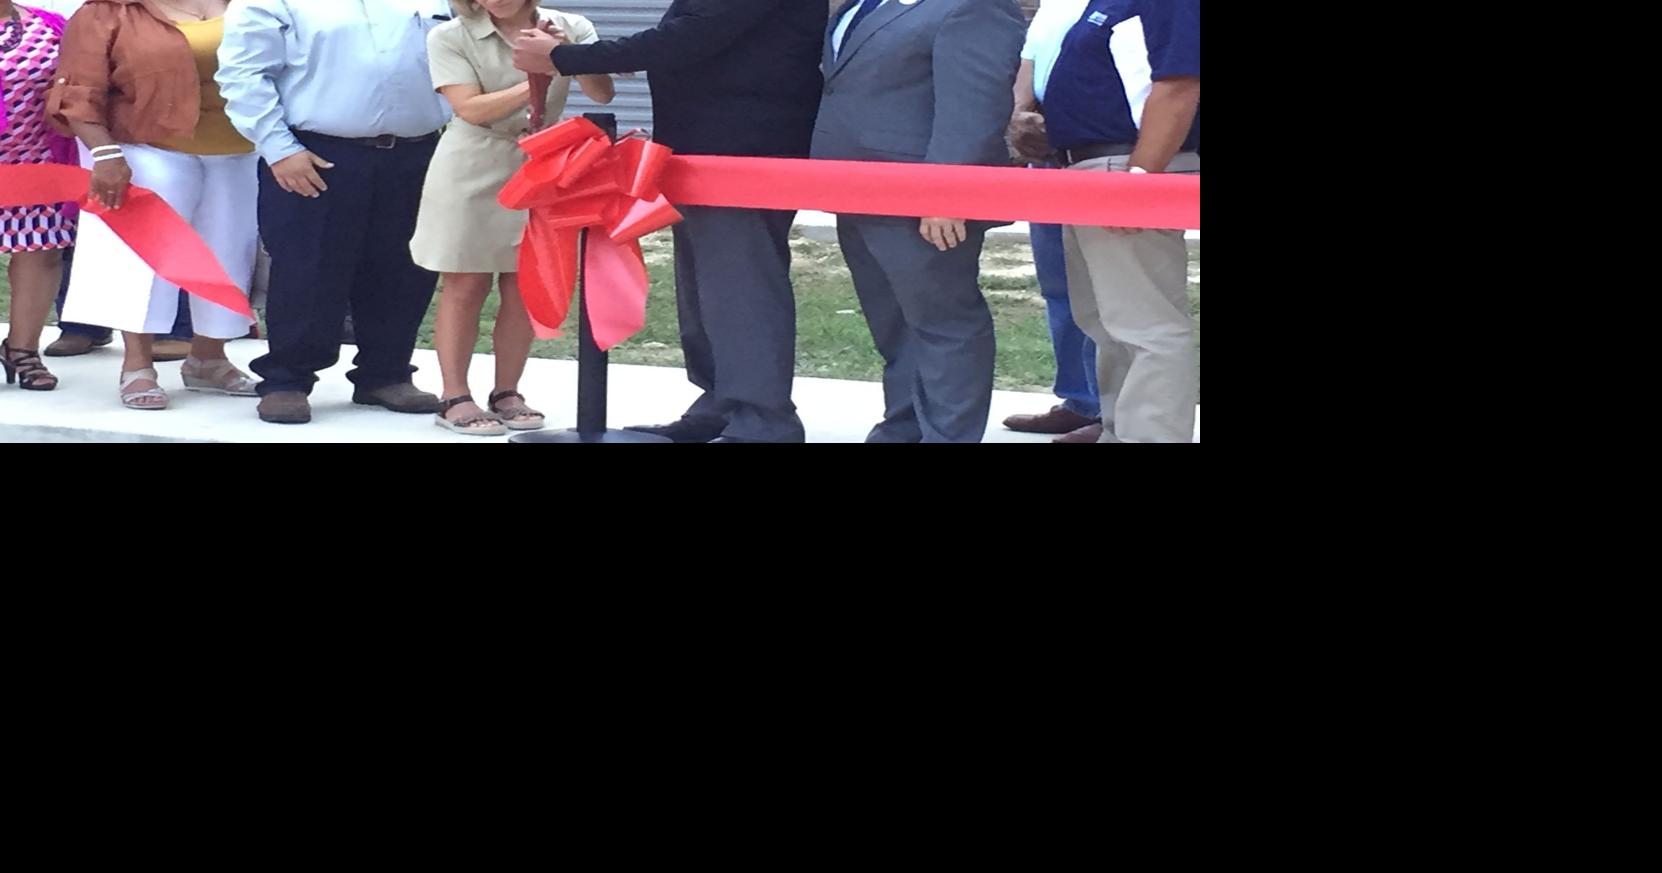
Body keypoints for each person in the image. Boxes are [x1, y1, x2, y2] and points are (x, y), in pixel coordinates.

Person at [514, 0, 827, 444]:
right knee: (705, 295)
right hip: (705, 149)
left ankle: (762, 420)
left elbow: (692, 37)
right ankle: (720, 403)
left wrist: (567, 57)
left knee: (740, 291)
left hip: (744, 151)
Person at [218, 0, 452, 424]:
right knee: (308, 269)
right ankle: (289, 379)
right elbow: (244, 74)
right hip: (312, 153)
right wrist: (279, 149)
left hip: (416, 152)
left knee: (404, 268)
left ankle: (385, 374)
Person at [810, 0, 1025, 443]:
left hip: (921, 198)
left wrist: (944, 193)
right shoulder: (865, 5)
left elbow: (974, 105)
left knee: (943, 320)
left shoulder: (973, 8)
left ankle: (949, 434)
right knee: (893, 321)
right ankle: (905, 426)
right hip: (856, 190)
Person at [412, 0, 613, 436]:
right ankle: (454, 396)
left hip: (542, 162)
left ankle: (507, 391)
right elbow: (471, 109)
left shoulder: (571, 26)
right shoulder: (450, 35)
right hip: (472, 163)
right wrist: (540, 72)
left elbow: (602, 93)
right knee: (465, 282)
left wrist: (569, 57)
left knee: (525, 283)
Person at [50, 0, 259, 409]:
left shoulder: (249, 3)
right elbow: (77, 91)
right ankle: (137, 364)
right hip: (145, 147)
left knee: (229, 254)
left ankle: (208, 359)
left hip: (237, 147)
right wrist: (106, 155)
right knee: (142, 257)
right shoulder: (108, 11)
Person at [1043, 0, 1199, 442]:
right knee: (1106, 322)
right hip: (1088, 169)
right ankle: (1119, 432)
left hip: (1128, 166)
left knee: (1146, 325)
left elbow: (1180, 86)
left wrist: (1138, 182)